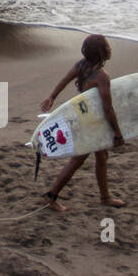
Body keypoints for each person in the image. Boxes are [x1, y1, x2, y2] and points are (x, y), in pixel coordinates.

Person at [38, 34, 126, 211]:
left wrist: (52, 97)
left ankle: (105, 197)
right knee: (78, 159)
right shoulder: (101, 76)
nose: (110, 49)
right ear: (102, 52)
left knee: (102, 157)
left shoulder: (81, 66)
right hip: (92, 123)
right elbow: (108, 108)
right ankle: (51, 195)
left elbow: (64, 80)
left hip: (84, 118)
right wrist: (117, 133)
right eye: (107, 47)